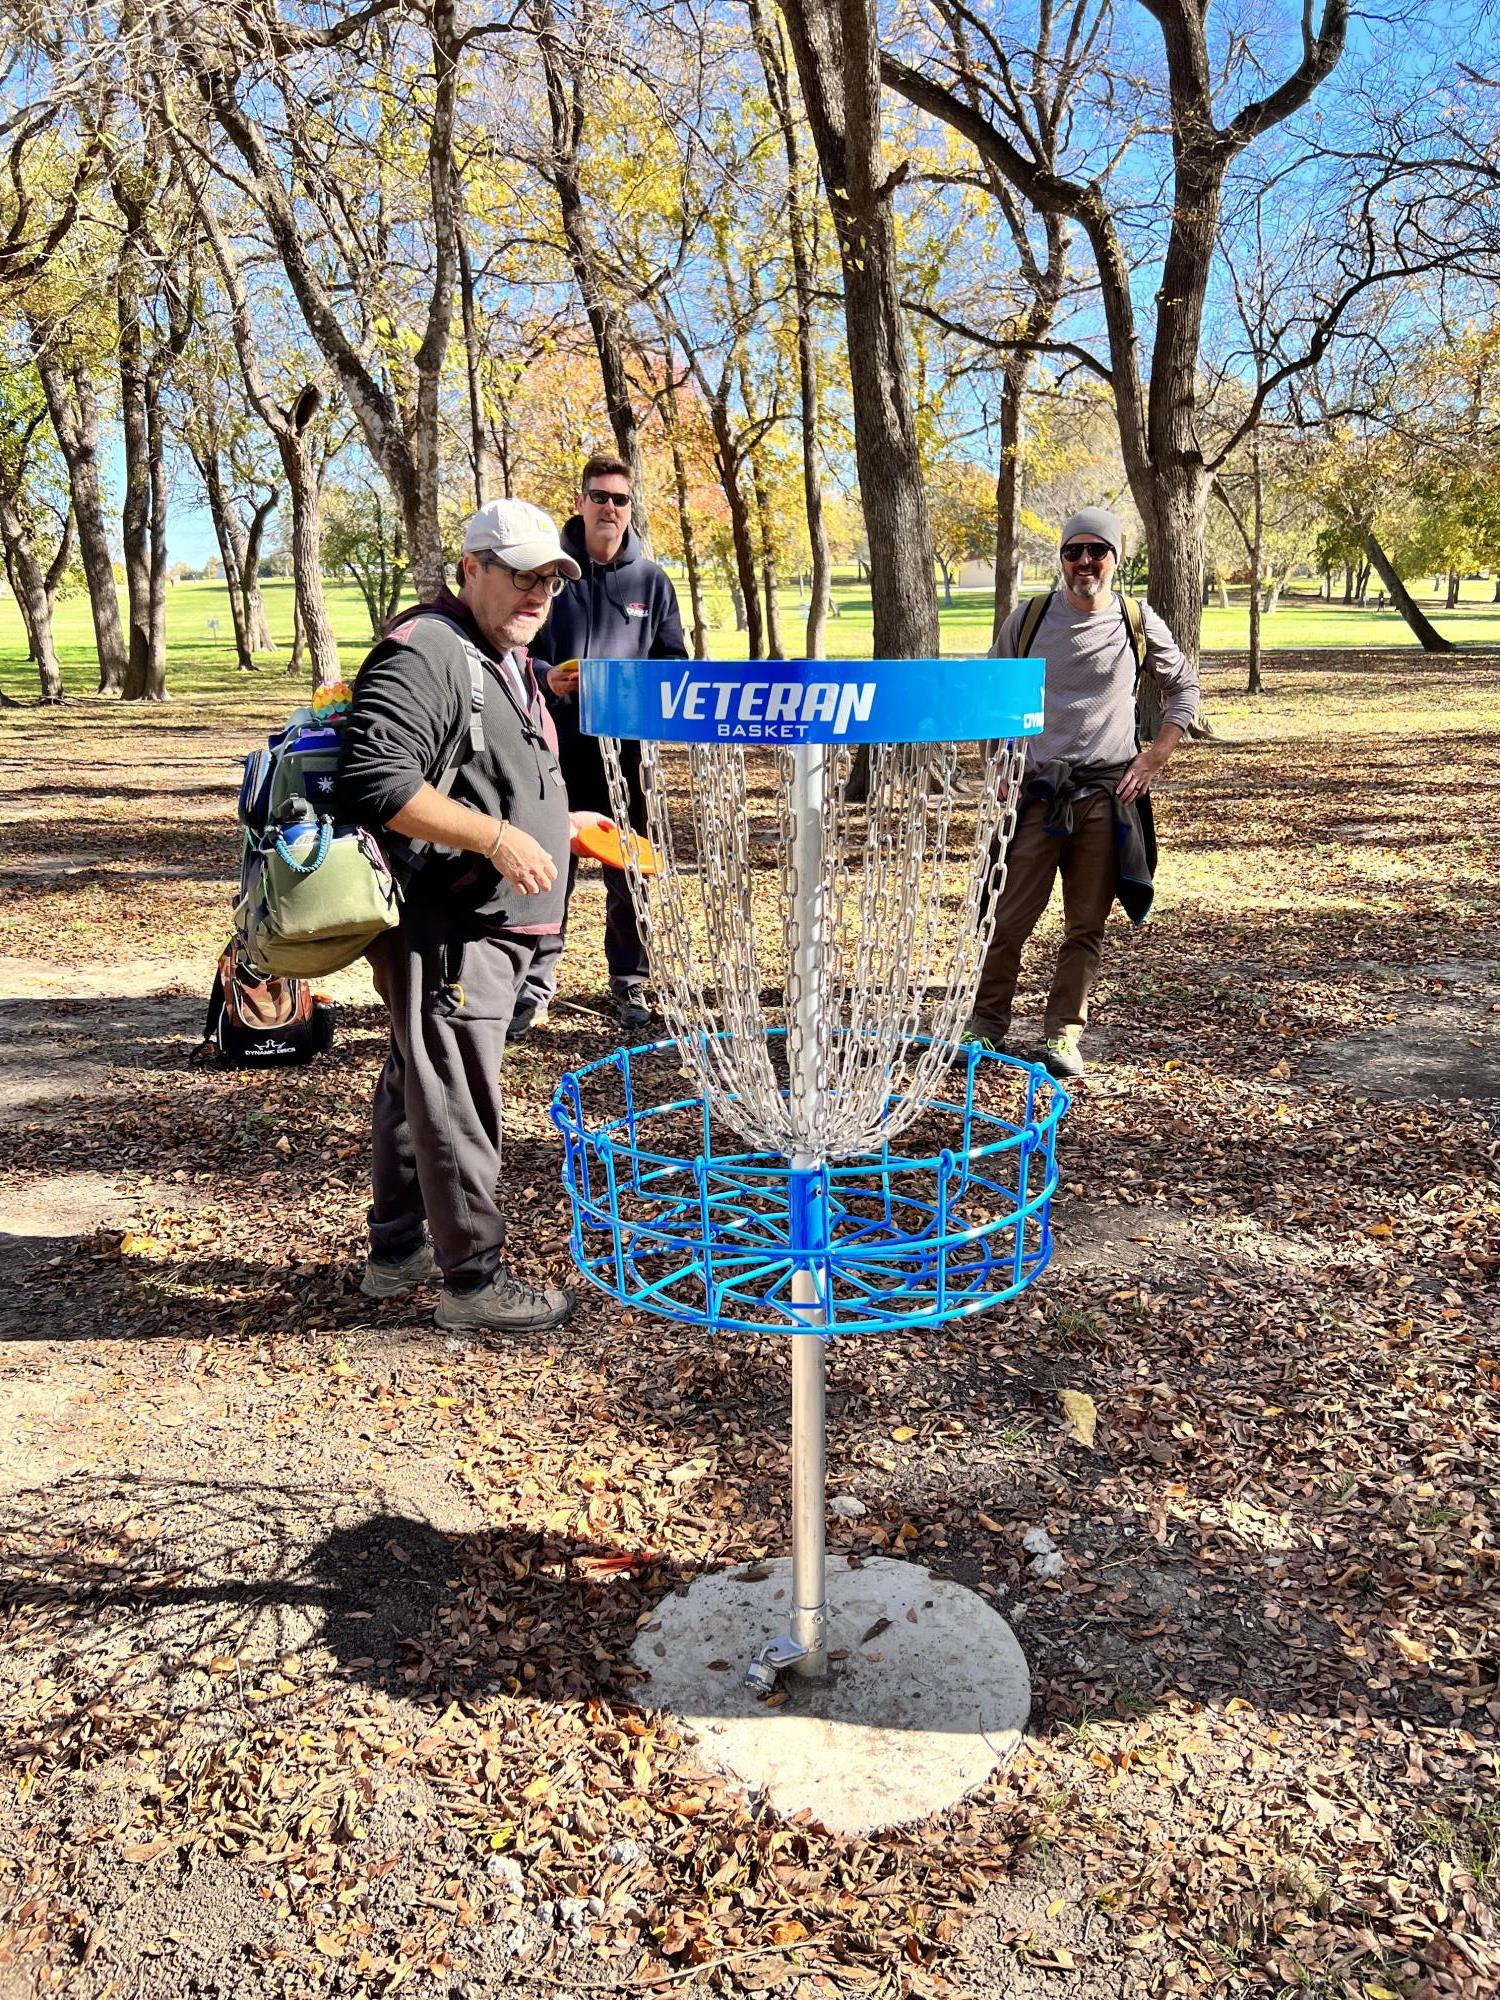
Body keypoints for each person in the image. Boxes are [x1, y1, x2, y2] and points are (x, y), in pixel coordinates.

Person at [338, 497, 609, 1333]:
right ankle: (473, 1282)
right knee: (455, 1096)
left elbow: (485, 772)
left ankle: (397, 1251)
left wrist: (557, 826)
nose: (537, 593)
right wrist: (497, 838)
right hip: (450, 925)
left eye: (551, 581)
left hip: (485, 918)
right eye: (521, 575)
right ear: (470, 570)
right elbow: (378, 783)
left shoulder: (496, 653)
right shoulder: (428, 650)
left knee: (418, 1081)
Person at [963, 507, 1200, 1080]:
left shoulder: (1136, 620)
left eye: (1097, 551)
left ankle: (1062, 1035)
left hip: (1104, 795)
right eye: (1074, 551)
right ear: (1063, 558)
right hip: (1036, 795)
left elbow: (1184, 686)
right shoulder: (1030, 619)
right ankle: (985, 1027)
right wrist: (996, 762)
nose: (1085, 561)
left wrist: (1156, 755)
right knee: (1006, 920)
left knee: (1085, 925)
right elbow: (993, 692)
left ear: (1116, 558)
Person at [526, 452, 687, 1031]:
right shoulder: (550, 571)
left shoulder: (651, 580)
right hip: (553, 746)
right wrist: (546, 676)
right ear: (581, 502)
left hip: (627, 755)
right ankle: (534, 985)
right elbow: (514, 648)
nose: (609, 508)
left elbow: (673, 659)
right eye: (599, 497)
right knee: (547, 868)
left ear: (629, 507)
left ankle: (630, 982)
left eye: (620, 499)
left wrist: (644, 689)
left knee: (630, 872)